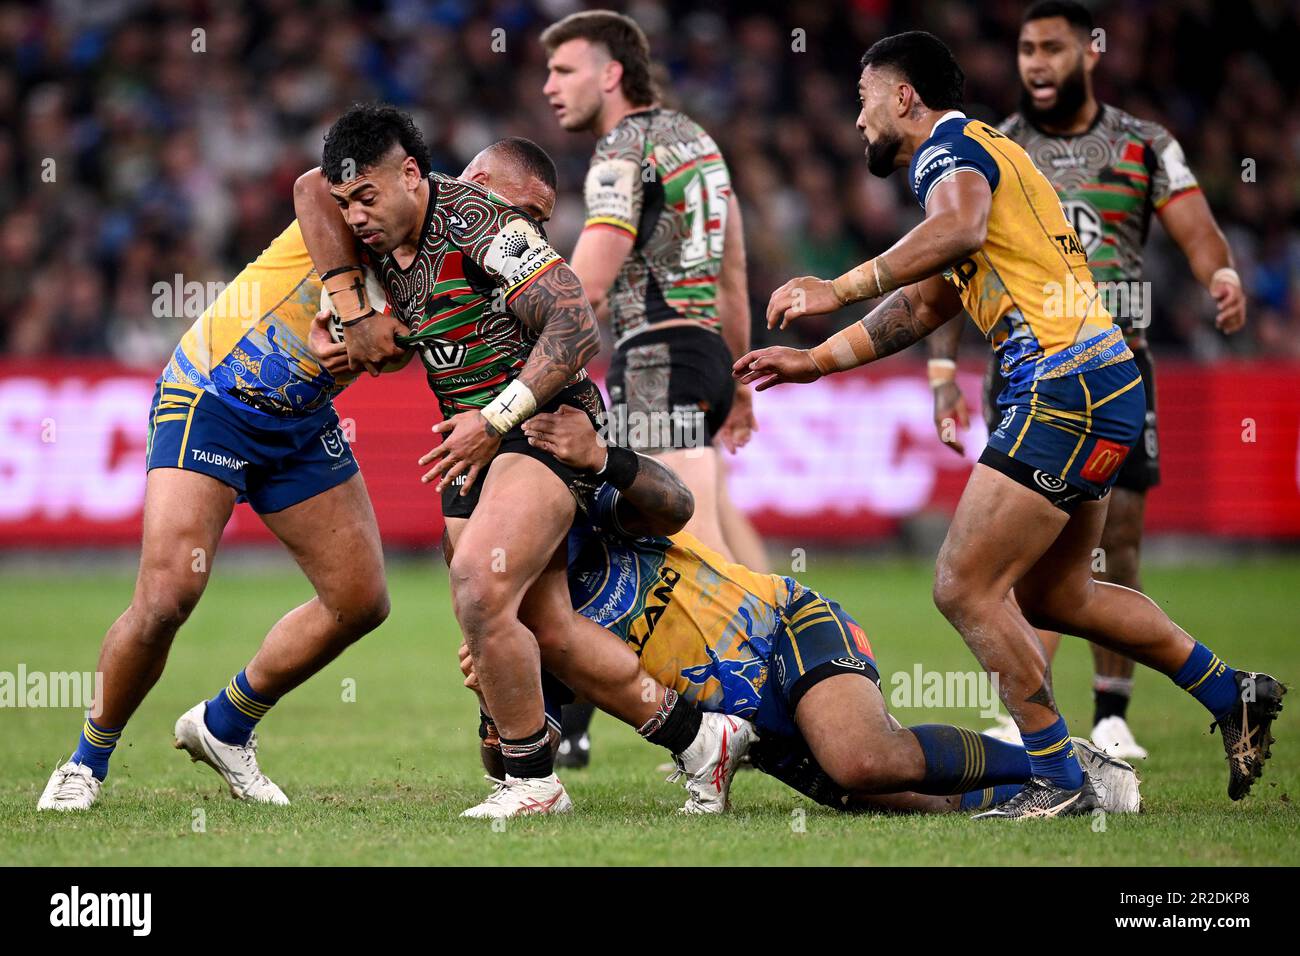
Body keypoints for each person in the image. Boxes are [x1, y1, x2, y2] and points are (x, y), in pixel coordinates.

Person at [733, 31, 1283, 818]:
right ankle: (1232, 692)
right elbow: (926, 304)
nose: (856, 121)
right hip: (1103, 380)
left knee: (962, 584)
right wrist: (815, 359)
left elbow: (953, 230)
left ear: (903, 98)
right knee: (1058, 595)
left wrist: (837, 284)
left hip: (1063, 384)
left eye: (862, 101)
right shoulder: (986, 157)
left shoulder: (945, 152)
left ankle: (1058, 778)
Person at [293, 107, 749, 818]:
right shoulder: (374, 230)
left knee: (480, 584)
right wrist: (352, 317)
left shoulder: (480, 223)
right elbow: (306, 189)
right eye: (347, 202)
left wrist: (496, 417)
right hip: (472, 445)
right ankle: (702, 740)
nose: (355, 217)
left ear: (414, 176)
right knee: (550, 633)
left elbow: (575, 321)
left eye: (368, 198)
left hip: (542, 426)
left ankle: (536, 784)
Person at [459, 404, 1142, 816]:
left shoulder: (584, 513)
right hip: (754, 730)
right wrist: (496, 709)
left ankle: (1070, 768)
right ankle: (1055, 785)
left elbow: (676, 505)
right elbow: (525, 757)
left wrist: (606, 458)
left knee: (863, 759)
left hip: (783, 626)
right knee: (909, 796)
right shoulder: (519, 624)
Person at [924, 0, 1248, 760]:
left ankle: (1108, 712)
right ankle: (1041, 716)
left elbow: (1197, 227)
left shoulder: (1143, 143)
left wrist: (1222, 272)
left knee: (1113, 541)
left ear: (1091, 53)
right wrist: (943, 371)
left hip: (1113, 360)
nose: (1035, 63)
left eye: (1051, 49)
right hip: (1025, 362)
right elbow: (952, 262)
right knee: (1028, 558)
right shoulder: (993, 144)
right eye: (1025, 50)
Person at [540, 8, 768, 765]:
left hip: (655, 359)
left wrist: (529, 356)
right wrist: (737, 378)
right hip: (703, 355)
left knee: (685, 554)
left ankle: (735, 723)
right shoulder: (698, 141)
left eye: (564, 71)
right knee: (714, 532)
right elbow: (733, 270)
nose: (550, 88)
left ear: (611, 74)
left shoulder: (621, 149)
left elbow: (588, 286)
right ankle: (576, 723)